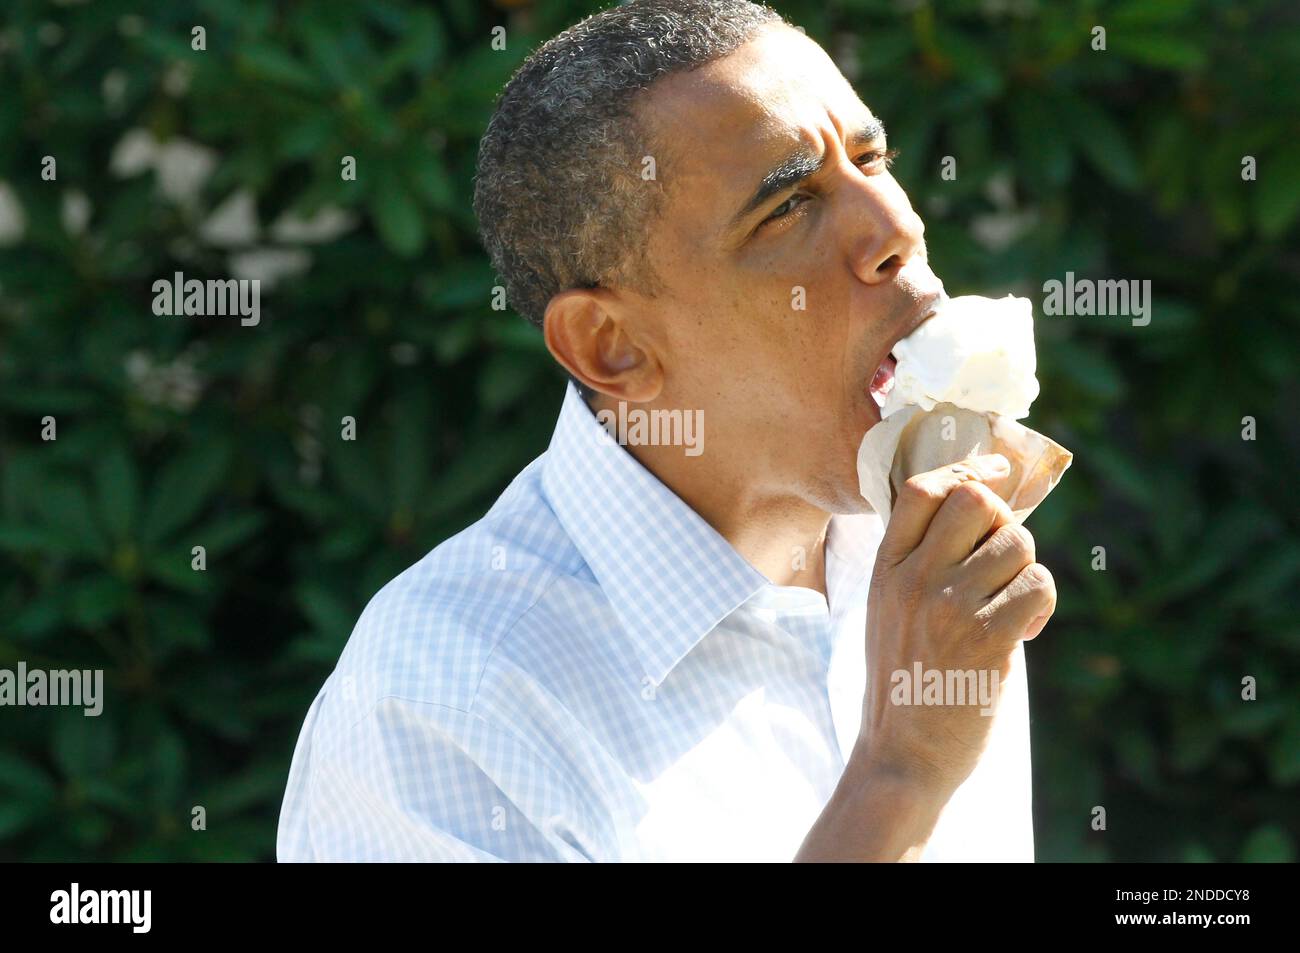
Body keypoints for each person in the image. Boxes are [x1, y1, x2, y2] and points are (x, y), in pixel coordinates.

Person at [277, 0, 1056, 862]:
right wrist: (900, 777)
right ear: (611, 346)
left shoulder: (931, 561)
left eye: (872, 159)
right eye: (789, 206)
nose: (896, 229)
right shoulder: (439, 707)